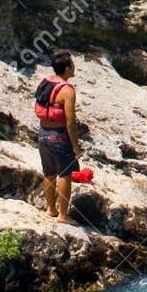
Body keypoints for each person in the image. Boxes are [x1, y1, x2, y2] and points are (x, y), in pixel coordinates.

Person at [34, 50, 84, 226]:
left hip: (42, 133)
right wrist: (75, 147)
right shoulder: (67, 90)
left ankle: (50, 209)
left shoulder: (45, 82)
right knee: (65, 174)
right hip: (58, 136)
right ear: (67, 68)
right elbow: (70, 122)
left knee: (49, 173)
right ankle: (63, 214)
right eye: (72, 64)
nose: (74, 67)